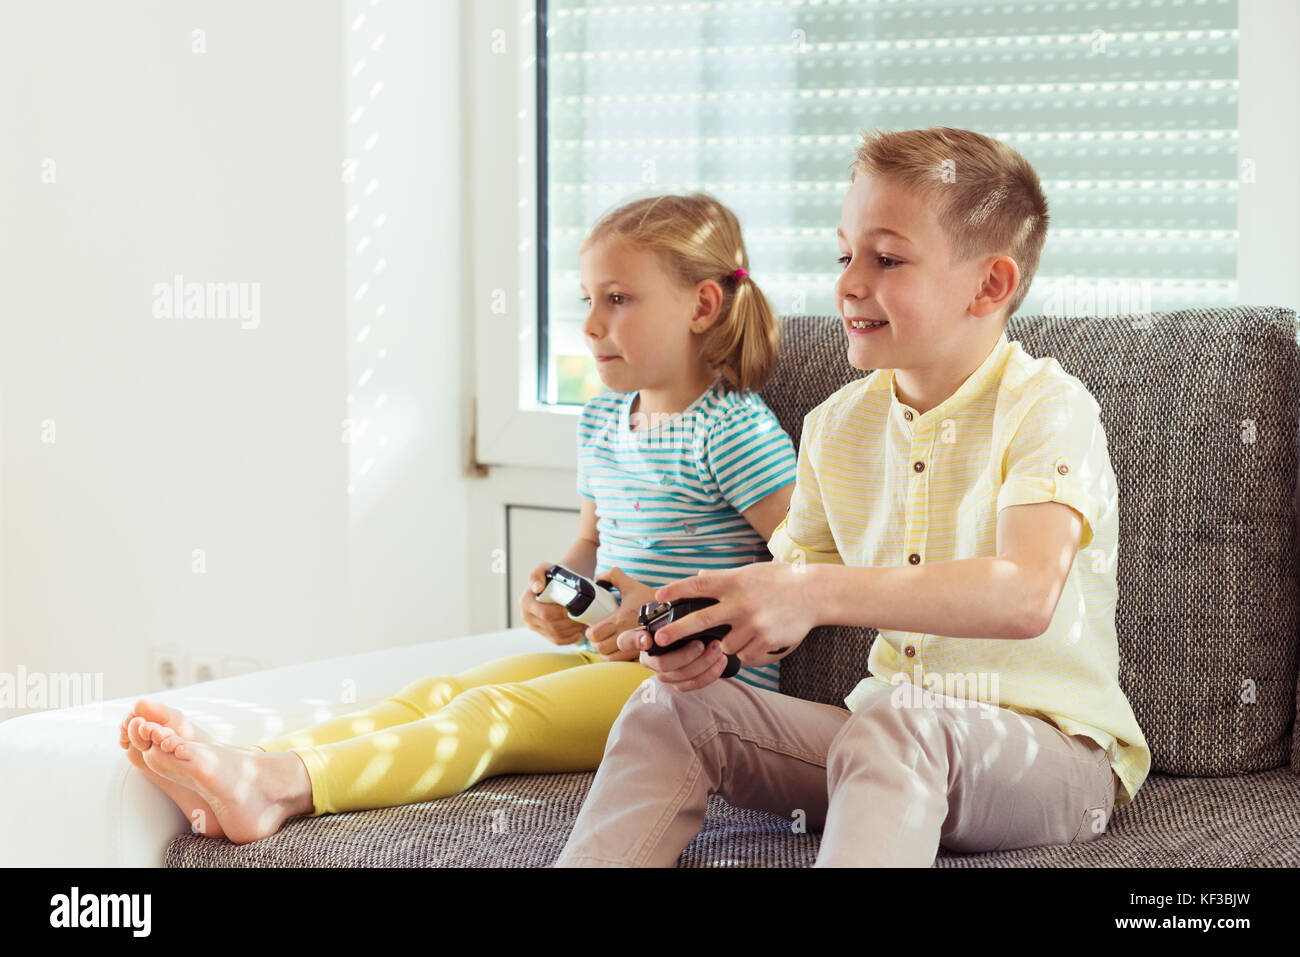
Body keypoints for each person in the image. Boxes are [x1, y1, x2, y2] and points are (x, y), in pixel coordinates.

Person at [116, 192, 799, 845]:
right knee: (439, 690)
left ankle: (283, 786)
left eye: (617, 299)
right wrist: (561, 589)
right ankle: (251, 760)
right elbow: (592, 541)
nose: (590, 324)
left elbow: (801, 568)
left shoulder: (731, 428)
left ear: (703, 305)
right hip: (610, 652)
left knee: (486, 716)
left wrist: (678, 609)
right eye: (587, 299)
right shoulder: (601, 421)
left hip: (695, 682)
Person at [554, 127, 1152, 868]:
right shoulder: (835, 427)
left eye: (887, 257)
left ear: (989, 285)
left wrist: (810, 589)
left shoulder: (1049, 408)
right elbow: (779, 616)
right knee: (666, 711)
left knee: (901, 720)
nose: (848, 282)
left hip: (1049, 760)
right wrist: (701, 630)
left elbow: (1024, 593)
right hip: (878, 744)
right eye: (845, 254)